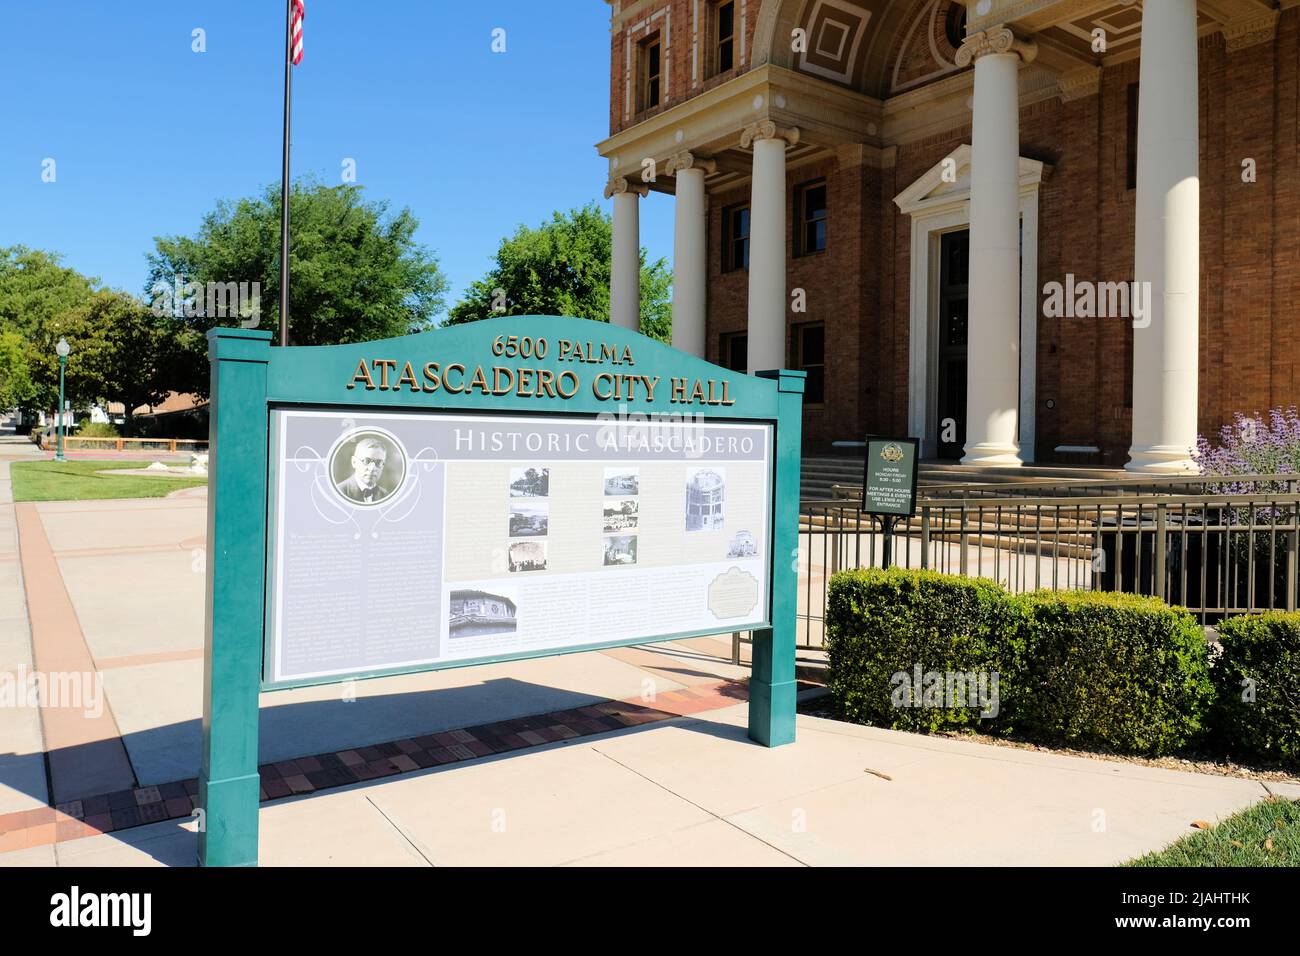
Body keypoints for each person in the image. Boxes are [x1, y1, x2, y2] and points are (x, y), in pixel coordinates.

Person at [337, 437, 396, 503]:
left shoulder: (385, 495)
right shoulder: (339, 492)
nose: (372, 468)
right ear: (354, 462)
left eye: (378, 462)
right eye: (366, 461)